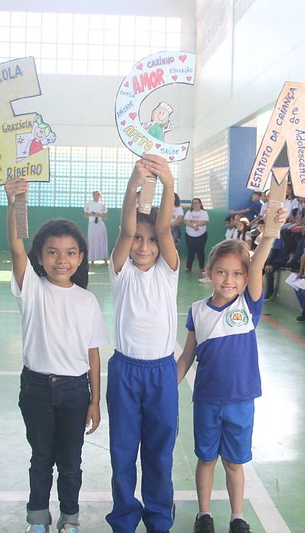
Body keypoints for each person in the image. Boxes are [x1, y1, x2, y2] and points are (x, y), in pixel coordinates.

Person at [4, 179, 109, 533]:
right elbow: (16, 248)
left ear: (80, 257)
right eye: (52, 252)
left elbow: (93, 354)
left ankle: (70, 517)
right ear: (40, 257)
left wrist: (95, 400)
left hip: (75, 391)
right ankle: (37, 519)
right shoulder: (31, 289)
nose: (61, 259)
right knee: (41, 459)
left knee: (70, 462)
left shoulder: (87, 300)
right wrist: (15, 204)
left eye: (69, 252)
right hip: (36, 388)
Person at [176, 206, 286, 533]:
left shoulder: (248, 305)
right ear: (209, 272)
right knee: (206, 458)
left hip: (241, 400)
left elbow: (258, 264)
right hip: (208, 399)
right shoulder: (197, 311)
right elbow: (187, 356)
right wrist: (168, 384)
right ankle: (204, 515)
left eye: (238, 274)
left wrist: (270, 231)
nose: (230, 279)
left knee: (234, 462)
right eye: (222, 272)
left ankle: (238, 517)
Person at [106, 155, 179, 533]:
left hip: (161, 372)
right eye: (139, 237)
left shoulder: (169, 272)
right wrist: (134, 186)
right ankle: (123, 518)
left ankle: (158, 518)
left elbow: (164, 229)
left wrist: (168, 183)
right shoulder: (120, 272)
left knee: (159, 452)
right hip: (125, 371)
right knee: (122, 451)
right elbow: (122, 230)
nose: (145, 245)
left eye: (151, 240)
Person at [184, 198, 209, 273]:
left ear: (200, 204)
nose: (195, 204)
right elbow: (186, 220)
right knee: (190, 251)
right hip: (189, 234)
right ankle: (188, 267)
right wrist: (193, 226)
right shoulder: (189, 212)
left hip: (201, 235)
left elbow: (205, 221)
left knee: (200, 251)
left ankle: (201, 267)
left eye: (196, 203)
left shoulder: (204, 213)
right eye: (193, 203)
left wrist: (194, 223)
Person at [84, 190, 109, 264]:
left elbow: (105, 216)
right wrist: (91, 213)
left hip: (100, 224)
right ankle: (92, 260)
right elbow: (85, 215)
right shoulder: (89, 204)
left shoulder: (102, 205)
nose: (96, 197)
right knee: (92, 241)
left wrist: (99, 215)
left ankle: (104, 259)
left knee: (102, 241)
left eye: (97, 195)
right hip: (92, 225)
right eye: (94, 195)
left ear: (100, 196)